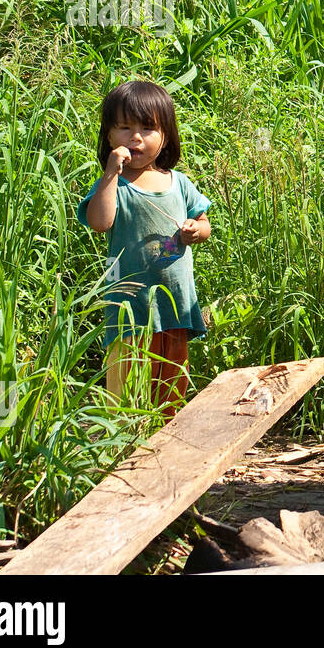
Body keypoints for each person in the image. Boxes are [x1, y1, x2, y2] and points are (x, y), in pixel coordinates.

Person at [77, 80, 212, 413]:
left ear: (165, 135)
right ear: (109, 136)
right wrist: (110, 173)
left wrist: (196, 230)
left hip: (174, 303)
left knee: (172, 382)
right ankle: (127, 442)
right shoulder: (114, 184)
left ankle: (166, 442)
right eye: (124, 128)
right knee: (128, 383)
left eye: (148, 128)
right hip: (129, 304)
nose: (135, 137)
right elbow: (100, 222)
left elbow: (204, 221)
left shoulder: (178, 182)